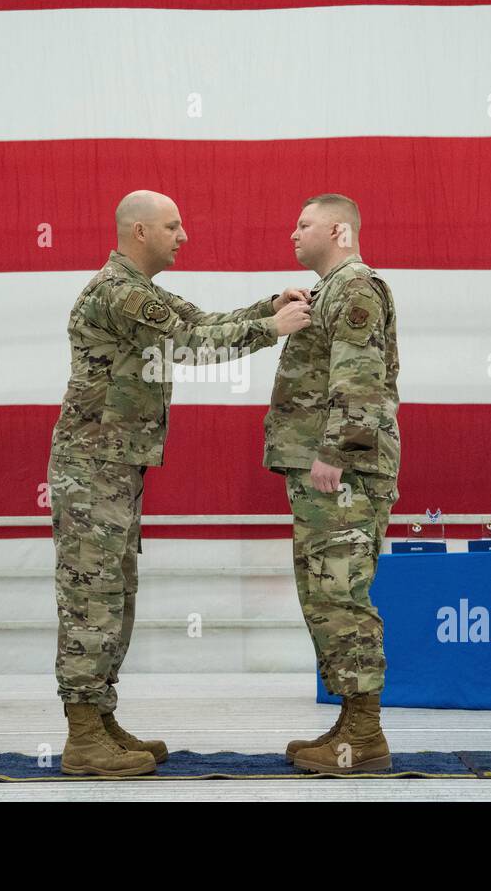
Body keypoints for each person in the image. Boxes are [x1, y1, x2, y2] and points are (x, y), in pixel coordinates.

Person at [50, 189, 312, 776]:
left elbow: (199, 321)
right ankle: (81, 736)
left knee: (115, 594)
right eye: (173, 226)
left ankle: (100, 719)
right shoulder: (118, 292)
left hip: (114, 467)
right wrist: (272, 328)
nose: (184, 236)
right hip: (93, 467)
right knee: (91, 598)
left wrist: (268, 305)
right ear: (140, 231)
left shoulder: (141, 290)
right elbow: (187, 345)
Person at [263, 195, 401, 773]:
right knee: (323, 595)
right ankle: (349, 723)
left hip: (342, 470)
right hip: (323, 468)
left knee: (341, 594)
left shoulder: (355, 287)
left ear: (339, 230)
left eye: (305, 224)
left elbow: (360, 376)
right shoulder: (326, 291)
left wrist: (335, 452)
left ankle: (364, 736)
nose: (293, 233)